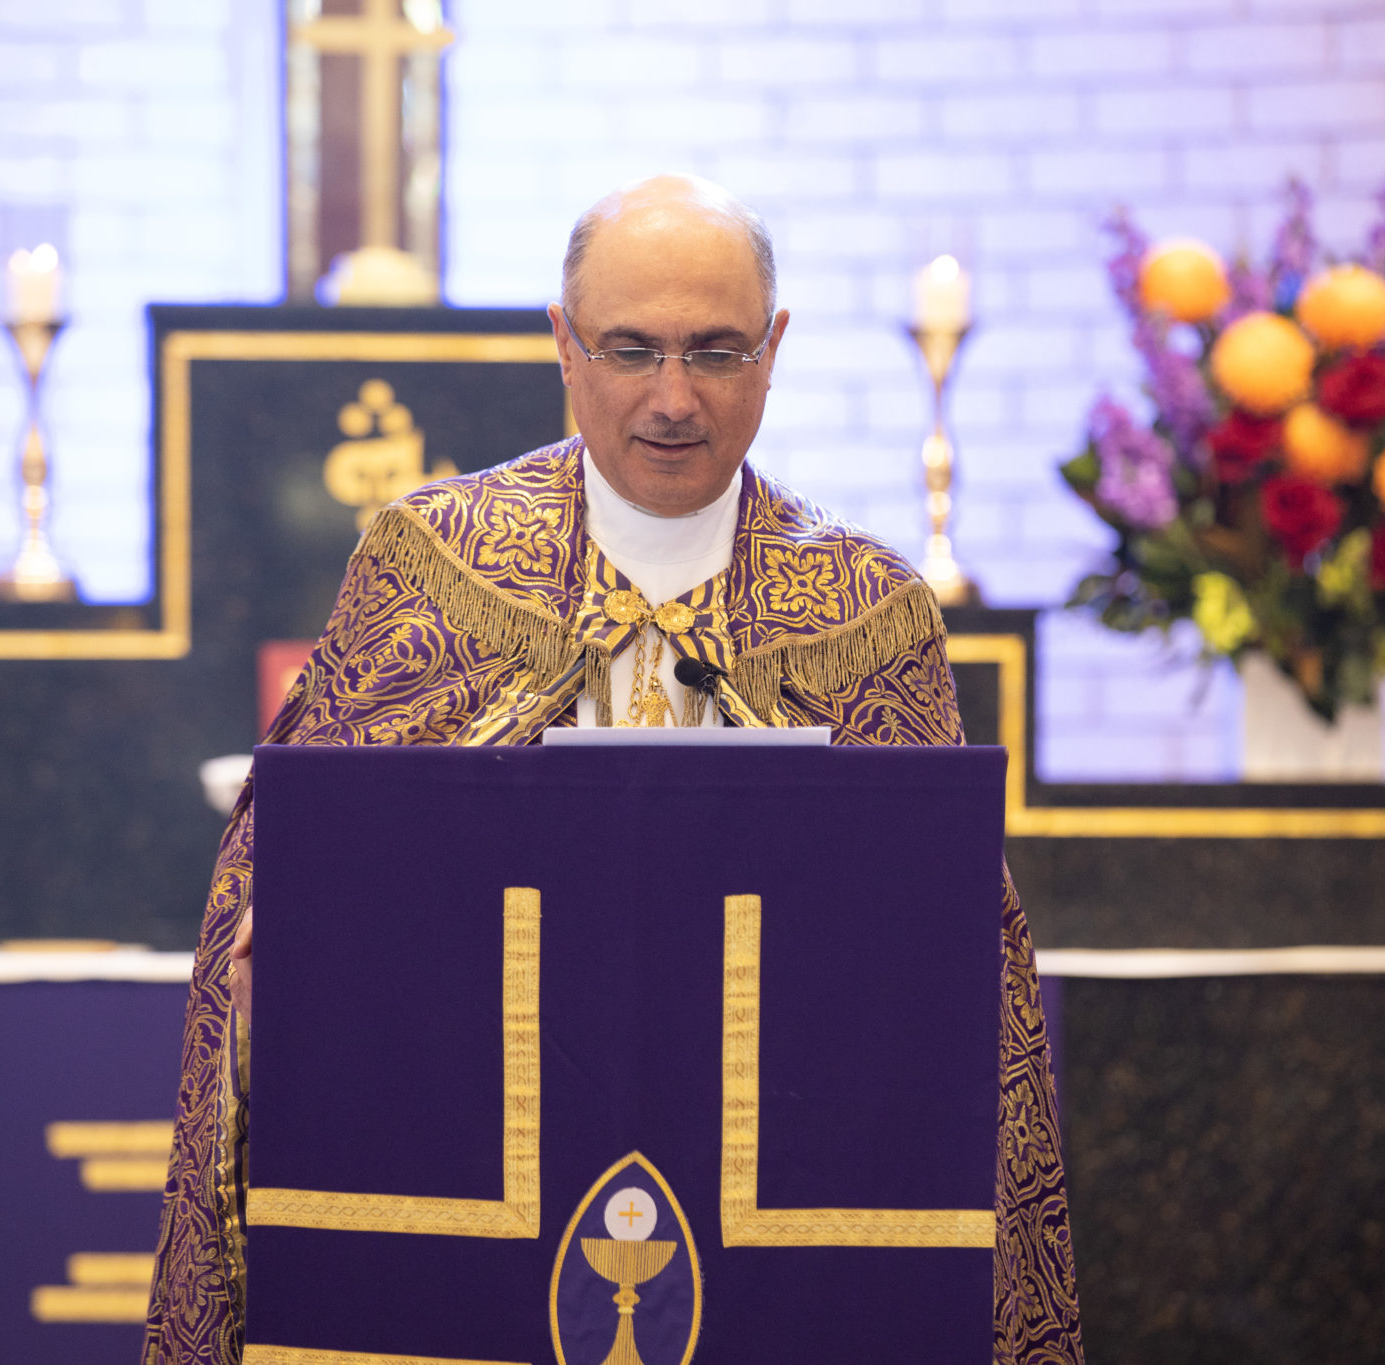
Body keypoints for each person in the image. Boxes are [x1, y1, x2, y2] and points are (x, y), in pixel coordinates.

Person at [142, 174, 1082, 1365]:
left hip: (775, 1196)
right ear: (562, 344)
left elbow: (959, 981)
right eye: (631, 349)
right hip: (466, 1179)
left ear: (775, 349)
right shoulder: (430, 566)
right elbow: (273, 890)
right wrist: (285, 963)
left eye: (717, 352)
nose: (672, 399)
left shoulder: (866, 610)